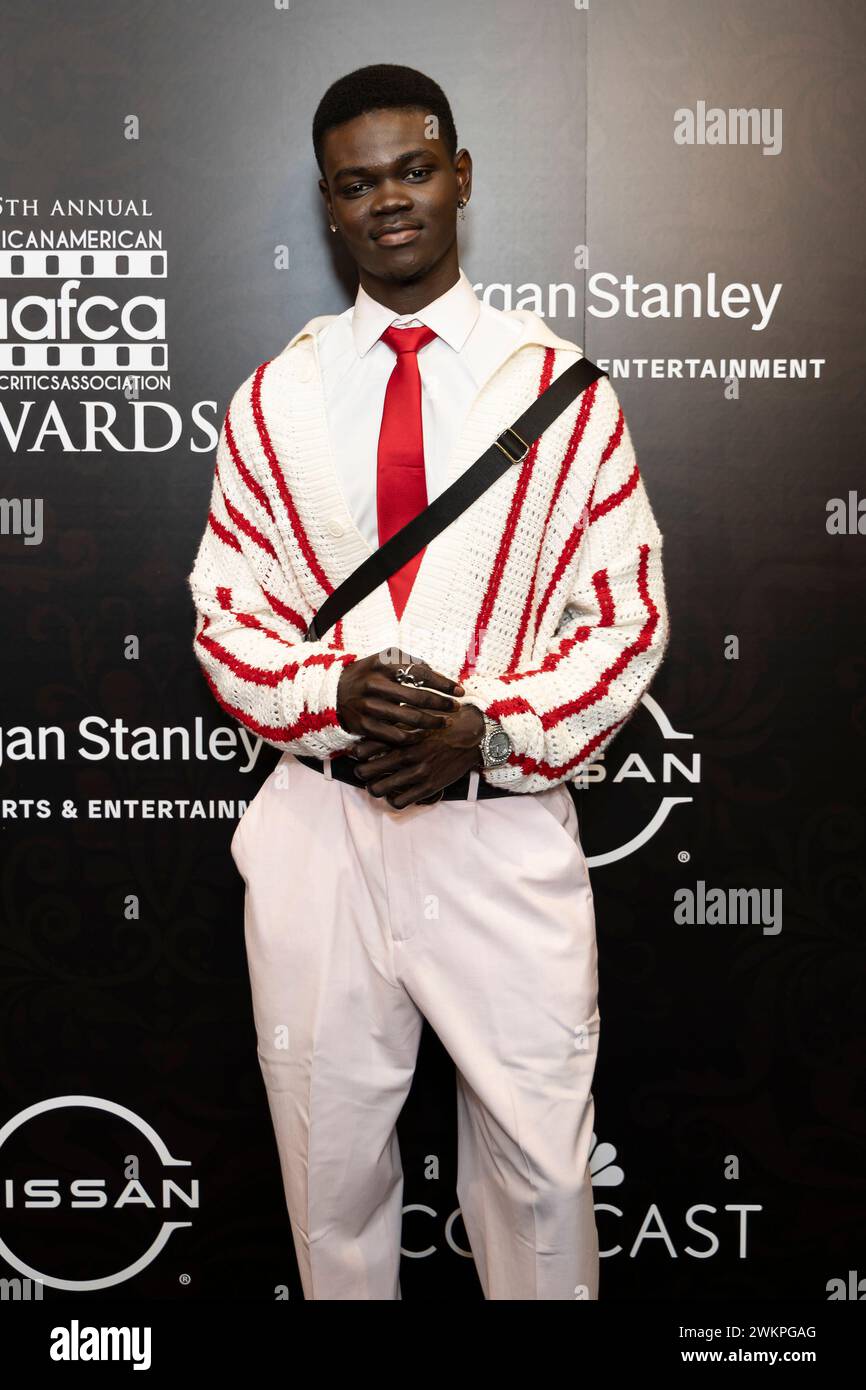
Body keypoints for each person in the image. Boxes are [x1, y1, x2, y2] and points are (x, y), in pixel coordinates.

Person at [186, 62, 670, 1300]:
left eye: (412, 170)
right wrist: (333, 694)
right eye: (357, 183)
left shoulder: (558, 390)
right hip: (320, 830)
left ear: (459, 177)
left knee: (543, 1178)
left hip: (493, 833)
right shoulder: (272, 398)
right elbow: (225, 619)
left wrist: (488, 731)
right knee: (328, 1172)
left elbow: (624, 620)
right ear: (327, 204)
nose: (387, 200)